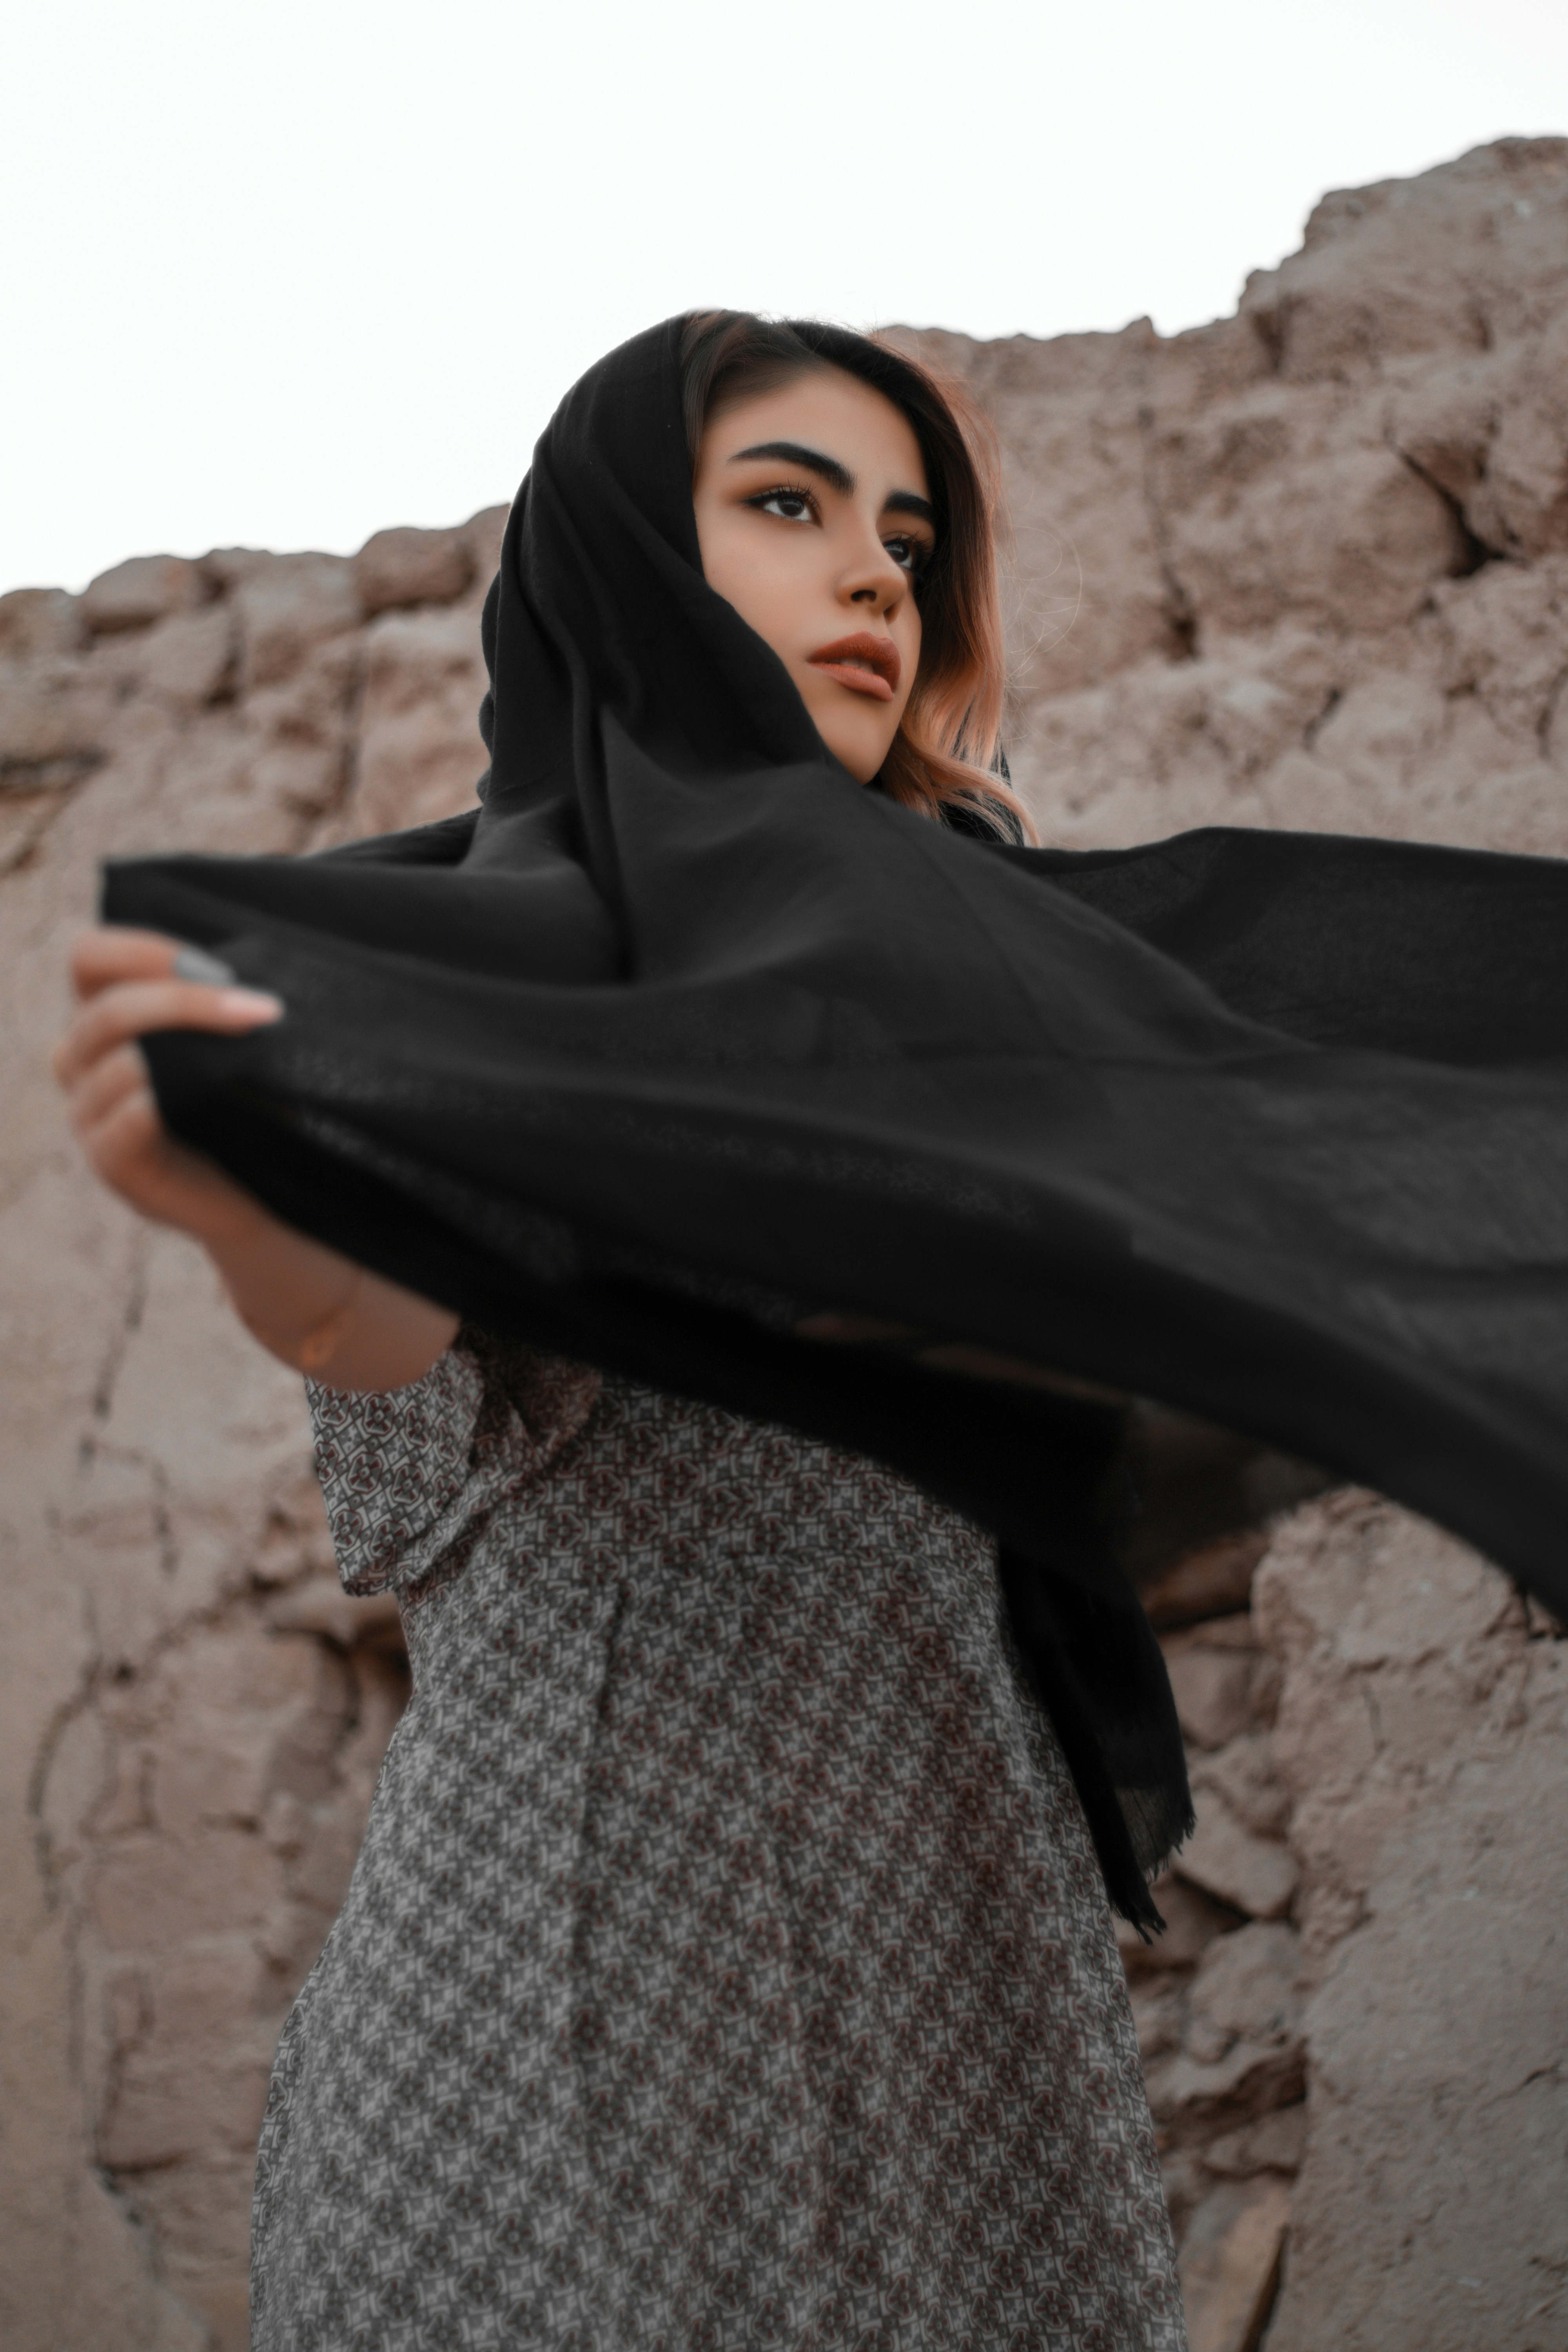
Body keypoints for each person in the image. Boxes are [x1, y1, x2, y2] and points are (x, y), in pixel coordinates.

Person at [55, 316, 1189, 2349]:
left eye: (908, 540)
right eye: (786, 504)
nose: (872, 577)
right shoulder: (480, 974)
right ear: (622, 564)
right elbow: (377, 1331)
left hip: (961, 2000)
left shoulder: (1011, 972)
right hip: (579, 2029)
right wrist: (236, 1201)